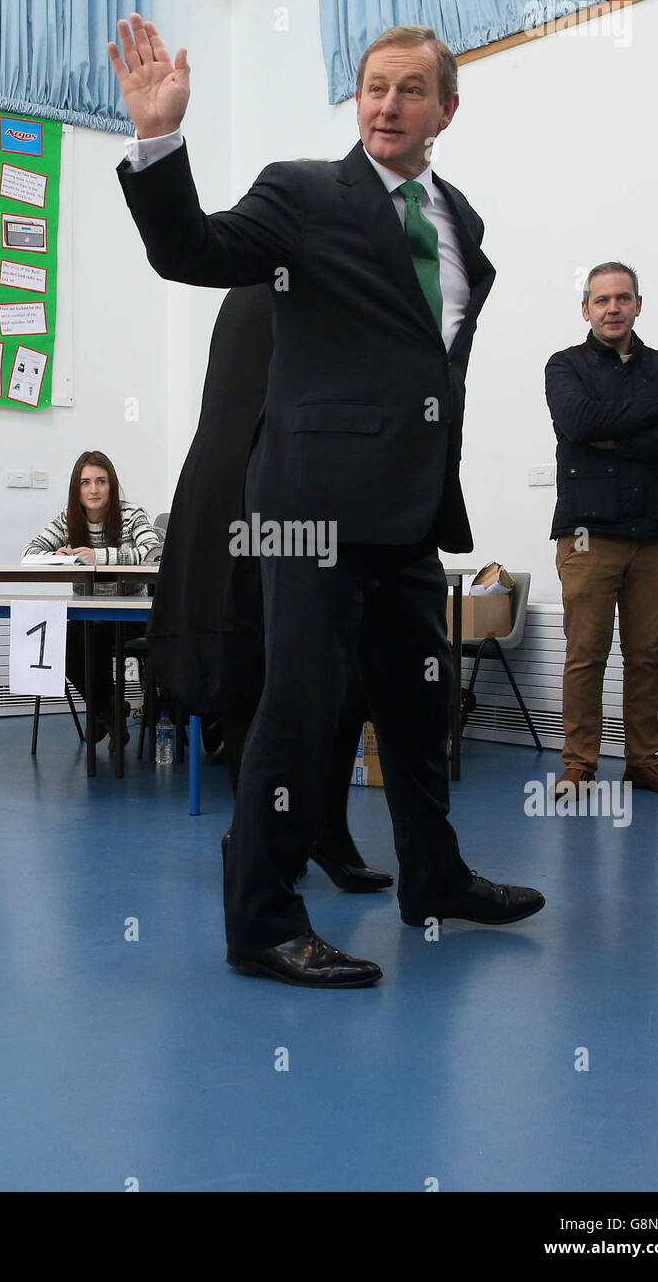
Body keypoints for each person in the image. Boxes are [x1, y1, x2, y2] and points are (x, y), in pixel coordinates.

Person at [109, 14, 544, 989]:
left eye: (409, 90)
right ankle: (262, 922)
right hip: (307, 509)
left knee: (415, 703)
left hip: (406, 512)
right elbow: (190, 249)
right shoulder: (302, 195)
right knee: (301, 713)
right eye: (373, 86)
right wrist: (158, 140)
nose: (387, 104)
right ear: (356, 99)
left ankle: (431, 877)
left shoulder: (456, 221)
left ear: (446, 109)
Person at [146, 281, 392, 892]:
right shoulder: (285, 286)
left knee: (314, 674)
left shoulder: (261, 285)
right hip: (261, 483)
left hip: (258, 482)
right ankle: (265, 838)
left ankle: (301, 834)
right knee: (254, 673)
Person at [545, 263, 658, 798]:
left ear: (639, 305)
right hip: (588, 537)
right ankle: (579, 766)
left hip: (655, 536)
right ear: (586, 310)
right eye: (601, 300)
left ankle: (643, 760)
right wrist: (649, 414)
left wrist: (623, 438)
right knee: (585, 656)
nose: (612, 308)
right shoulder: (564, 367)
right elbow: (579, 423)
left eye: (622, 298)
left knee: (645, 656)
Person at [22, 450, 162, 747]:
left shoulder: (131, 514)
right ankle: (108, 709)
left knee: (91, 634)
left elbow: (153, 554)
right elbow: (29, 552)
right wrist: (55, 555)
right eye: (86, 482)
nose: (94, 489)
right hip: (88, 614)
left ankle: (105, 711)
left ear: (112, 485)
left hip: (131, 615)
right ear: (77, 489)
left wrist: (97, 556)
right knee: (64, 640)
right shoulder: (69, 518)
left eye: (101, 481)